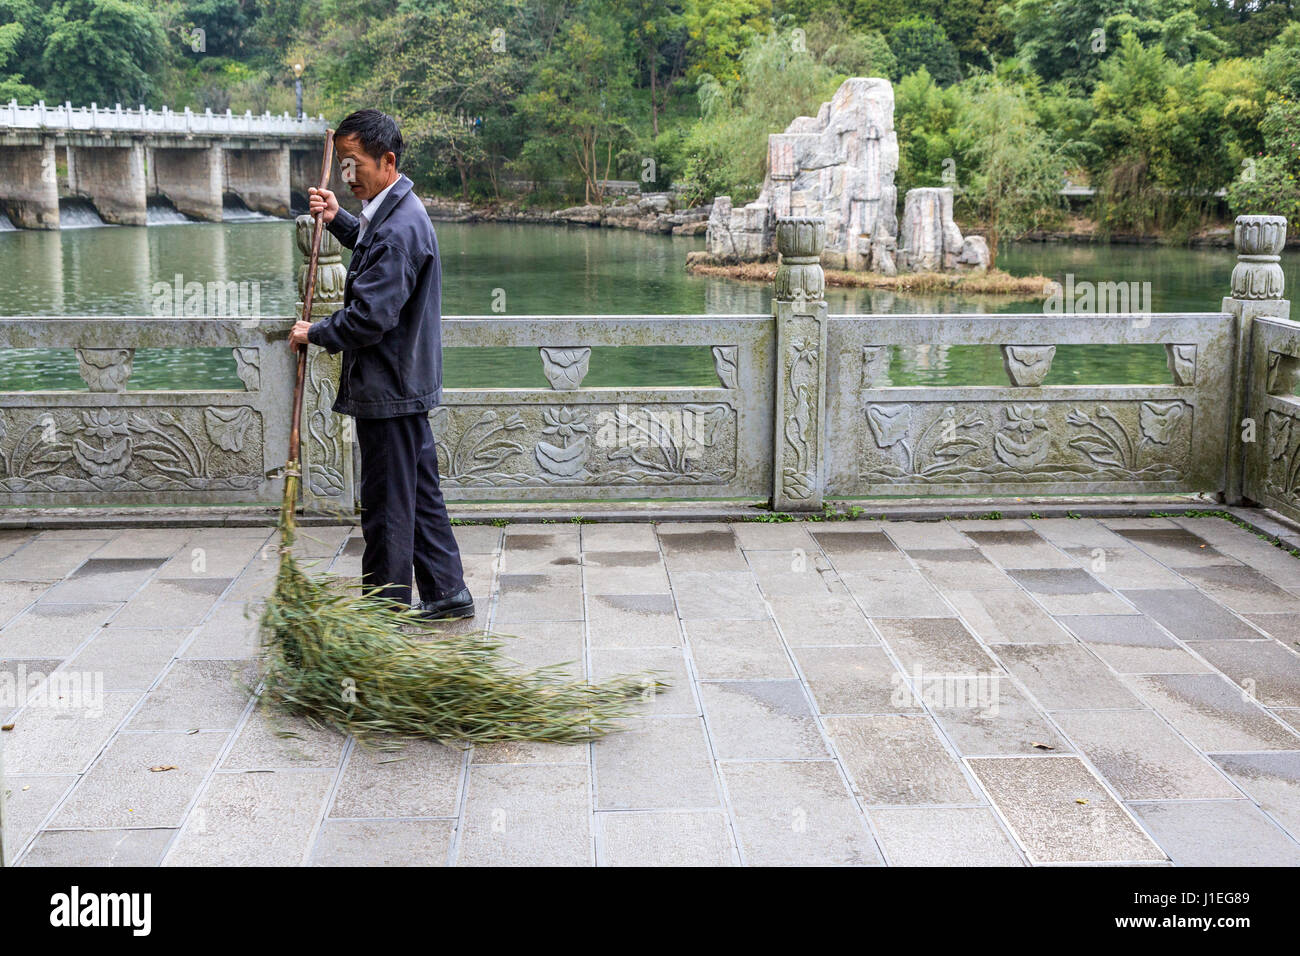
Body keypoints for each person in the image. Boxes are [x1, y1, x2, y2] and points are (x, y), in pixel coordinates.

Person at [289, 108, 473, 620]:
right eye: (342, 166)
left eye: (355, 166)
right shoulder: (398, 212)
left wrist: (315, 332)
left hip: (390, 390)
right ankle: (448, 593)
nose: (348, 178)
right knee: (419, 494)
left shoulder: (398, 229)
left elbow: (369, 319)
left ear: (387, 161)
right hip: (405, 384)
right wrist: (338, 220)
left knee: (387, 508)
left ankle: (385, 615)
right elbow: (373, 249)